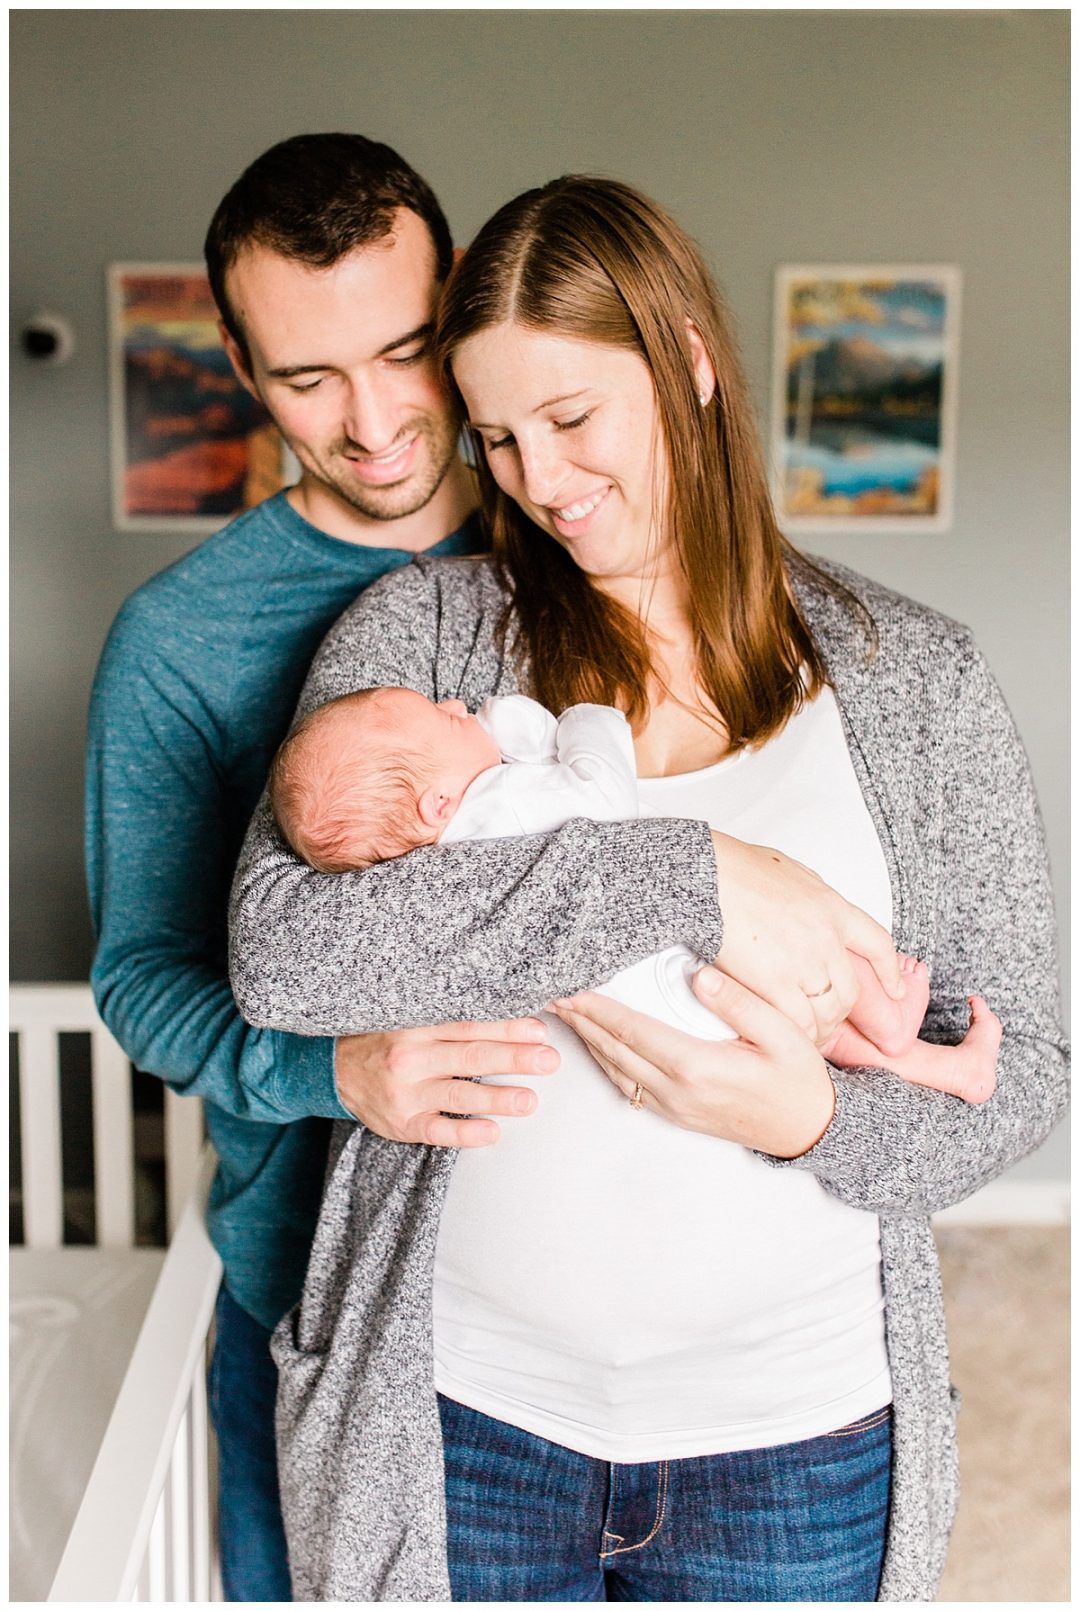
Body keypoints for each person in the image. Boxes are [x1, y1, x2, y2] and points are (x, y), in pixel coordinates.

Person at [228, 177, 1068, 1602]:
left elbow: (1027, 1070)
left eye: (569, 419)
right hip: (464, 1422)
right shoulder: (423, 636)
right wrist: (689, 873)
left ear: (686, 361)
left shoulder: (918, 683)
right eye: (497, 438)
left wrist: (808, 1116)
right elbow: (288, 955)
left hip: (797, 1443)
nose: (540, 480)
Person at [85, 132, 564, 1602]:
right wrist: (331, 1069)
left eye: (407, 350)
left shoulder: (582, 547)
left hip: (579, 1300)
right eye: (306, 378)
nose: (369, 422)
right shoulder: (179, 641)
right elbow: (141, 980)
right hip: (309, 1284)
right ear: (234, 355)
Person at [268, 683, 1001, 1100]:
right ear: (434, 804)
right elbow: (602, 799)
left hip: (661, 1019)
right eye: (443, 715)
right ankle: (895, 1017)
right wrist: (591, 719)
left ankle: (935, 1064)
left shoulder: (430, 866)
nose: (460, 703)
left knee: (814, 1035)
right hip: (684, 973)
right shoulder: (505, 803)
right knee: (814, 953)